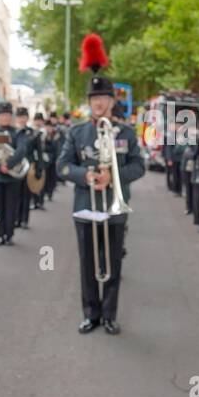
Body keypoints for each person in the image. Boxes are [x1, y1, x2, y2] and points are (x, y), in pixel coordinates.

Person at [57, 34, 145, 335]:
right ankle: (90, 314)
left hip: (114, 207)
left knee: (112, 264)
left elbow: (139, 166)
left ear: (111, 101)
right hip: (85, 206)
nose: (98, 104)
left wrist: (114, 175)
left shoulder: (126, 132)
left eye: (103, 99)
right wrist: (86, 176)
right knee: (88, 263)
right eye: (94, 100)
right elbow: (63, 166)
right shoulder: (77, 132)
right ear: (89, 102)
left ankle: (109, 315)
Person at [0, 101, 25, 246]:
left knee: (11, 207)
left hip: (12, 176)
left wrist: (8, 164)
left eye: (7, 115)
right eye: (2, 115)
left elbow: (21, 150)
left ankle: (9, 235)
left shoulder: (17, 133)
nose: (5, 118)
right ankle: (0, 235)